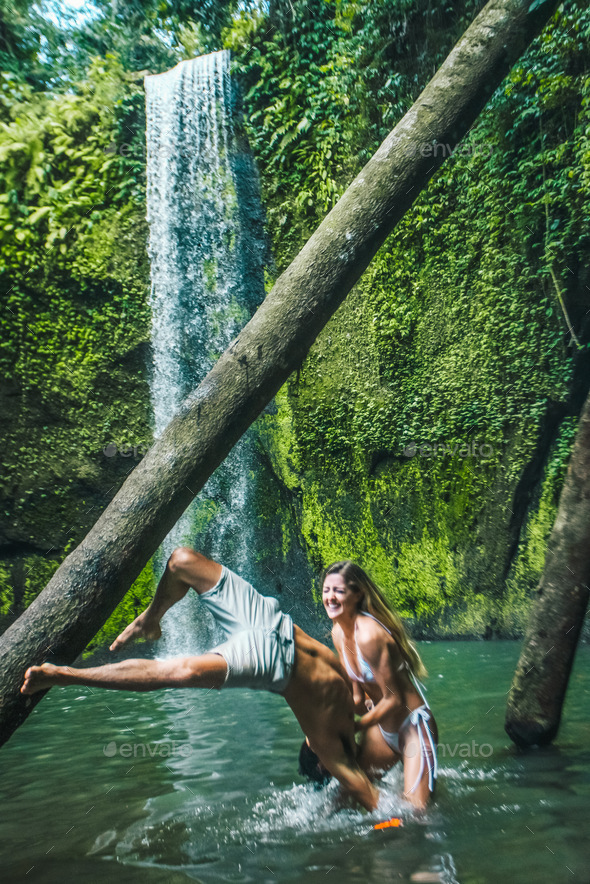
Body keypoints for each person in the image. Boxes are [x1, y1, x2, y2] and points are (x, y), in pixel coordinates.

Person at [21, 547, 379, 812]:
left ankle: (66, 676)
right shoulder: (352, 708)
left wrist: (387, 823)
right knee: (181, 561)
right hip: (273, 621)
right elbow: (367, 707)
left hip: (272, 661)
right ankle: (152, 617)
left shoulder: (330, 746)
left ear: (318, 756)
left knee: (180, 672)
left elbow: (365, 791)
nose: (307, 737)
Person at [323, 561, 438, 810]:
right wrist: (327, 726)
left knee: (416, 814)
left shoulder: (370, 635)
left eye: (339, 591)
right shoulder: (338, 634)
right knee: (344, 798)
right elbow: (356, 698)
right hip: (382, 730)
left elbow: (393, 699)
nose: (330, 597)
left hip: (412, 727)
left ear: (358, 594)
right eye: (326, 590)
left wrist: (356, 725)